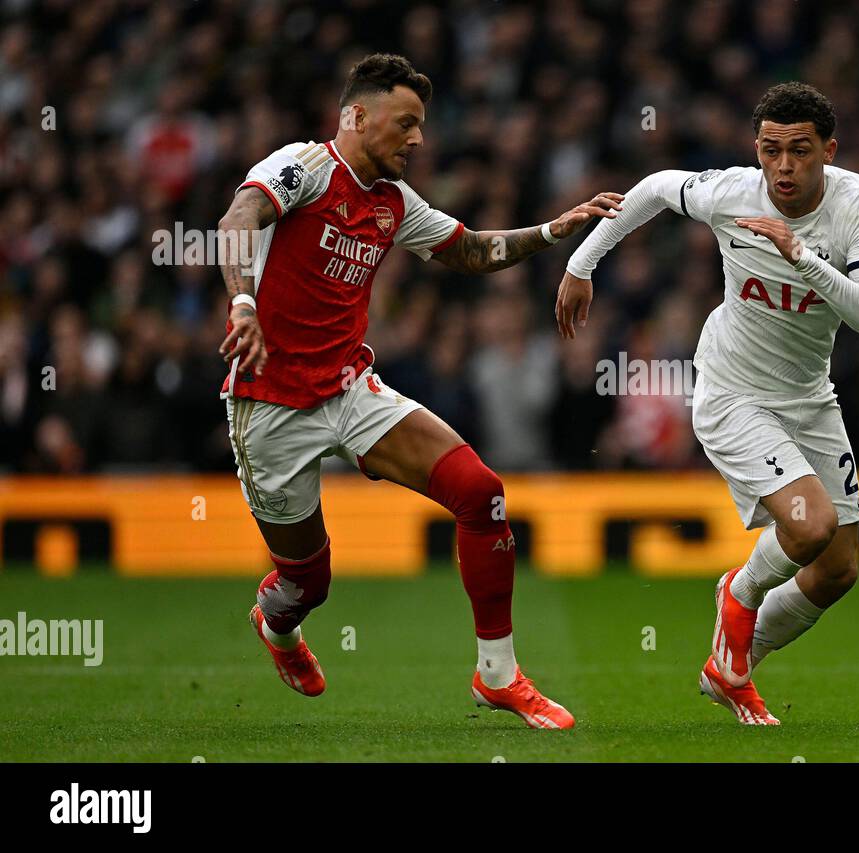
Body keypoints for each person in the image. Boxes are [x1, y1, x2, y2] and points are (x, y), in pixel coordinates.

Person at [218, 53, 623, 730]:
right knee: (307, 583)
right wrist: (242, 305)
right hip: (271, 405)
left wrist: (553, 231)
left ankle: (498, 674)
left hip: (350, 388)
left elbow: (469, 251)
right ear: (356, 117)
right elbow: (238, 218)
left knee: (480, 491)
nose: (418, 139)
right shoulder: (305, 167)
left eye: (421, 126)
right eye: (405, 123)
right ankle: (279, 625)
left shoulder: (392, 203)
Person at [557, 82, 859, 725]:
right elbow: (658, 185)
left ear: (830, 149)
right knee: (808, 525)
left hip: (809, 397)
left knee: (838, 570)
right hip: (732, 392)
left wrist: (802, 258)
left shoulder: (858, 203)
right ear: (757, 149)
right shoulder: (734, 192)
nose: (784, 167)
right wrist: (582, 264)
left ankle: (731, 662)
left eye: (800, 151)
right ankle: (738, 598)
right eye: (771, 150)